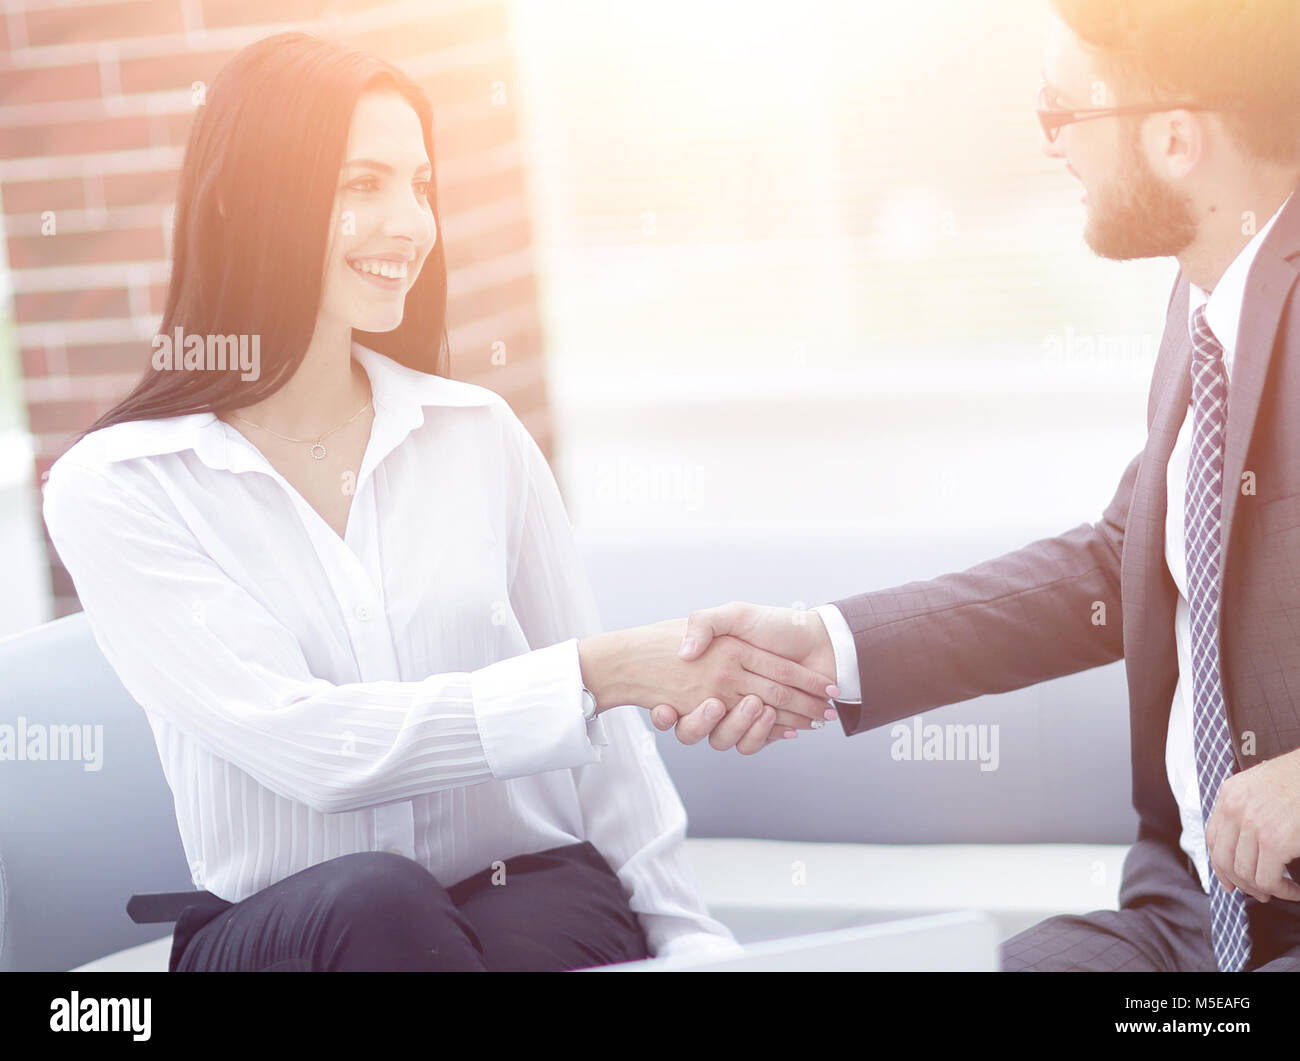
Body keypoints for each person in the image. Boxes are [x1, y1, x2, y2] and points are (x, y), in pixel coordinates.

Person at [39, 31, 840, 972]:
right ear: (245, 200)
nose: (411, 222)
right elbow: (311, 747)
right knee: (378, 903)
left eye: (420, 184)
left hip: (522, 890)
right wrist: (596, 670)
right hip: (293, 930)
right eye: (361, 184)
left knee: (512, 925)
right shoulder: (120, 487)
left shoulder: (478, 434)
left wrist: (688, 936)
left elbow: (611, 756)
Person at [653, 0, 1300, 972]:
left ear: (1174, 138)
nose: (1052, 147)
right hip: (1183, 917)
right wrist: (827, 647)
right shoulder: (1204, 299)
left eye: (1062, 114)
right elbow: (1116, 564)